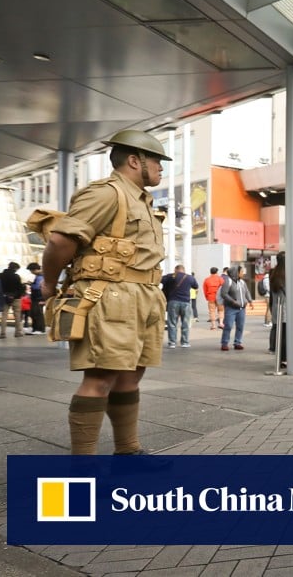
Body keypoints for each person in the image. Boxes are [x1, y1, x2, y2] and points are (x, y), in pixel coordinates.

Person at [38, 129, 169, 455]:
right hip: (111, 296)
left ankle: (129, 452)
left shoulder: (143, 200)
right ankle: (83, 469)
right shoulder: (107, 193)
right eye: (157, 161)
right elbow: (60, 240)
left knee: (129, 378)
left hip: (145, 295)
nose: (162, 168)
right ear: (135, 160)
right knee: (99, 378)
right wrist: (49, 284)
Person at [160, 264, 197, 348]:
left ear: (175, 270)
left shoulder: (170, 276)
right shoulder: (189, 277)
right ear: (183, 270)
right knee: (185, 323)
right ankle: (185, 342)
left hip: (173, 302)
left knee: (172, 323)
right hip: (186, 302)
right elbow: (195, 286)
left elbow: (159, 280)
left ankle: (172, 342)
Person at [217, 265, 252, 350]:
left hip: (242, 308)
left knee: (240, 326)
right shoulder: (228, 281)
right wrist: (233, 301)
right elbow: (224, 294)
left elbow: (246, 292)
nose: (243, 273)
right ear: (236, 273)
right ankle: (224, 343)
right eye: (241, 272)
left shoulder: (242, 282)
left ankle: (237, 342)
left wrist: (250, 301)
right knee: (228, 326)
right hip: (231, 308)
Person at [0, 262, 25, 339]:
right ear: (15, 268)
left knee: (4, 316)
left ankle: (2, 333)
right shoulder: (16, 276)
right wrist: (15, 295)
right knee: (17, 315)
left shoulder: (0, 276)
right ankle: (17, 332)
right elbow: (19, 288)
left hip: (4, 297)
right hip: (15, 298)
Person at [26, 262, 46, 335]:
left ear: (34, 269)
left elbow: (38, 287)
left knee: (37, 313)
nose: (31, 272)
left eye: (31, 270)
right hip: (37, 297)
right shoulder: (40, 275)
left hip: (38, 298)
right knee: (34, 313)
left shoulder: (40, 276)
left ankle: (39, 329)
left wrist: (30, 284)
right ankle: (36, 329)